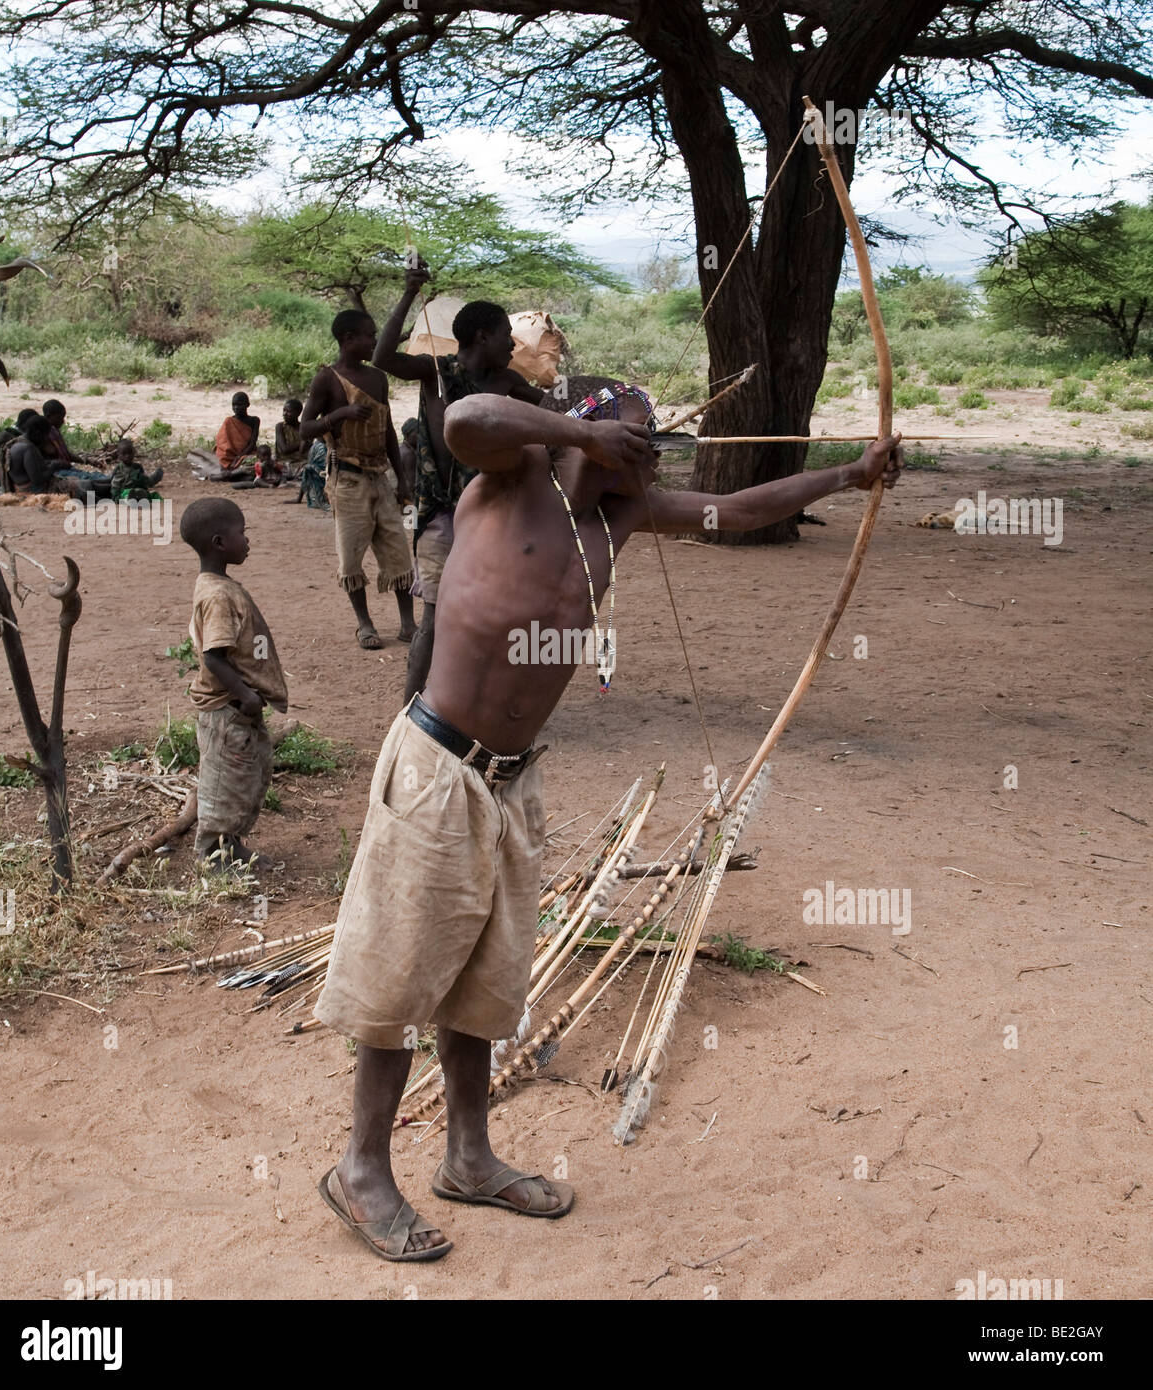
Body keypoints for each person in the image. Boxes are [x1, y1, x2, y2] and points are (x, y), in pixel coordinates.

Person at [312, 378, 904, 1261]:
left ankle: (468, 1158)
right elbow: (463, 418)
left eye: (651, 436)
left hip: (511, 782)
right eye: (633, 430)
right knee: (402, 976)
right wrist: (576, 436)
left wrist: (850, 476)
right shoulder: (512, 474)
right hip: (437, 764)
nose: (648, 445)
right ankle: (361, 1169)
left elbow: (738, 510)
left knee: (483, 980)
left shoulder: (626, 515)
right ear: (585, 428)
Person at [373, 262, 545, 701]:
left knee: (494, 614)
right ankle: (410, 714)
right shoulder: (436, 373)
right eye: (507, 333)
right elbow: (382, 359)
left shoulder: (508, 382)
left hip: (494, 518)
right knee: (433, 619)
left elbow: (556, 415)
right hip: (443, 520)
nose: (513, 342)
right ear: (483, 336)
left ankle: (479, 705)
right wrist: (410, 293)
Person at [179, 497, 289, 871]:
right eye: (241, 532)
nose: (247, 540)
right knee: (224, 782)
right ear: (219, 543)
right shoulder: (218, 595)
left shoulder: (217, 586)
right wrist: (244, 695)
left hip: (236, 709)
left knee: (243, 777)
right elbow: (213, 655)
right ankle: (214, 855)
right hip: (228, 710)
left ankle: (231, 846)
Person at [299, 309, 416, 649]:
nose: (374, 341)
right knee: (350, 558)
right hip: (347, 479)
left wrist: (402, 480)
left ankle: (407, 624)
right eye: (369, 335)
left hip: (380, 476)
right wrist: (341, 414)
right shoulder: (327, 379)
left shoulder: (377, 378)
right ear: (348, 340)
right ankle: (365, 624)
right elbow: (305, 429)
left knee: (397, 553)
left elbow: (388, 431)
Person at [215, 392, 260, 472]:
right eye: (233, 405)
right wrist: (233, 457)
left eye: (239, 405)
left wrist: (240, 456)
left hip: (247, 454)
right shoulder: (228, 421)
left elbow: (252, 444)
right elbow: (222, 443)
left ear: (247, 404)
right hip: (229, 456)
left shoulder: (254, 420)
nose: (236, 408)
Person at [287, 436, 330, 510]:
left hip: (317, 495)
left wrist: (299, 498)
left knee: (308, 468)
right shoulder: (331, 447)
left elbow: (307, 472)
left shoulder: (316, 447)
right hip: (334, 493)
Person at [42, 399, 88, 466]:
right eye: (59, 418)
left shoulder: (55, 431)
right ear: (48, 416)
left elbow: (66, 454)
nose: (63, 421)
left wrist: (86, 461)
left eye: (63, 418)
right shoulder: (42, 435)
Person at [275, 399, 306, 471]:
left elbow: (303, 450)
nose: (284, 414)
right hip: (283, 462)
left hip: (300, 462)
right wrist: (301, 443)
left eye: (288, 411)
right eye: (284, 410)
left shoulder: (303, 427)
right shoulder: (280, 426)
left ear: (298, 413)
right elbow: (284, 449)